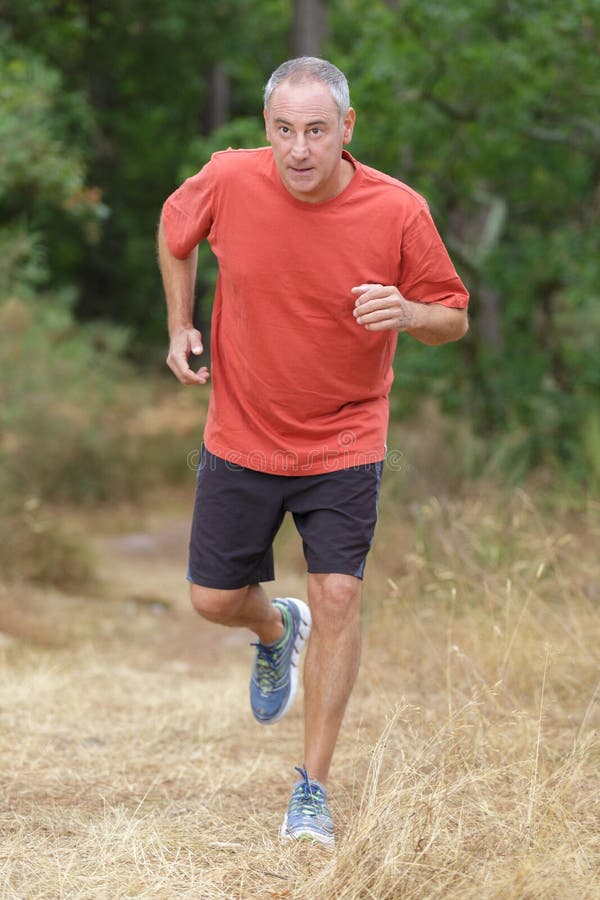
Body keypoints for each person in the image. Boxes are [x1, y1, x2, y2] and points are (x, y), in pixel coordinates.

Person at [158, 56, 469, 847]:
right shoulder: (229, 179)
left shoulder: (397, 210)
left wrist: (409, 312)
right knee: (213, 601)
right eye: (285, 130)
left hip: (345, 435)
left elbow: (453, 315)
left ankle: (312, 789)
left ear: (347, 128)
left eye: (317, 130)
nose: (300, 149)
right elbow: (174, 231)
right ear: (267, 128)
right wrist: (180, 324)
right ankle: (274, 630)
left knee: (338, 597)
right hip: (242, 431)